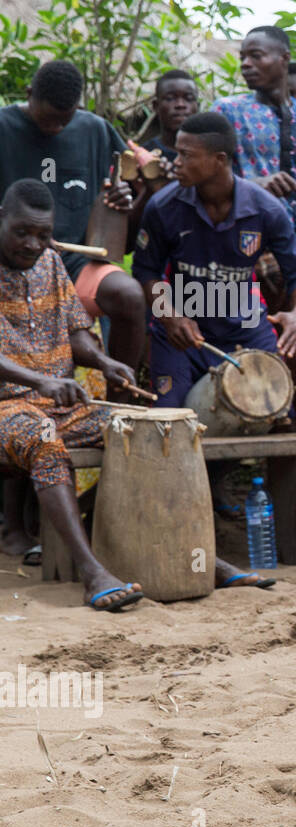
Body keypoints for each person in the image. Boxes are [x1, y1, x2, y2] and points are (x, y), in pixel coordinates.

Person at [134, 112, 296, 566]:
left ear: (219, 160)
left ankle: (291, 535)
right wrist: (169, 314)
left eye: (186, 154)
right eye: (175, 152)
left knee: (278, 416)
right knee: (171, 423)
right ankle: (167, 533)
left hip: (245, 327)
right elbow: (144, 271)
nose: (175, 161)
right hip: (180, 334)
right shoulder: (164, 205)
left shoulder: (265, 209)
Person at [0, 179, 142, 609]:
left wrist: (103, 362)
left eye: (43, 235)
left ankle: (195, 557)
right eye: (22, 232)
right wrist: (40, 381)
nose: (33, 243)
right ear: (1, 218)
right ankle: (91, 572)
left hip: (58, 406)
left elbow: (77, 335)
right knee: (44, 441)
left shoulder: (52, 263)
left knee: (142, 430)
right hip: (7, 408)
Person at [0, 61, 147, 376]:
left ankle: (122, 401)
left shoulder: (93, 129)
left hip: (76, 263)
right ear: (29, 95)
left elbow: (126, 183)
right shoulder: (3, 127)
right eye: (48, 119)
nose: (55, 128)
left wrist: (124, 197)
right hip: (10, 261)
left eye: (63, 122)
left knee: (129, 295)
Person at [213, 26, 296, 247]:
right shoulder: (226, 112)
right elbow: (207, 180)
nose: (245, 63)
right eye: (243, 57)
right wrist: (255, 185)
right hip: (239, 245)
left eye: (256, 56)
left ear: (284, 59)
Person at [143, 69, 199, 164]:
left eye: (188, 98)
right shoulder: (144, 156)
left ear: (198, 106)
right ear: (156, 106)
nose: (180, 104)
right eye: (170, 98)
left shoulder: (210, 156)